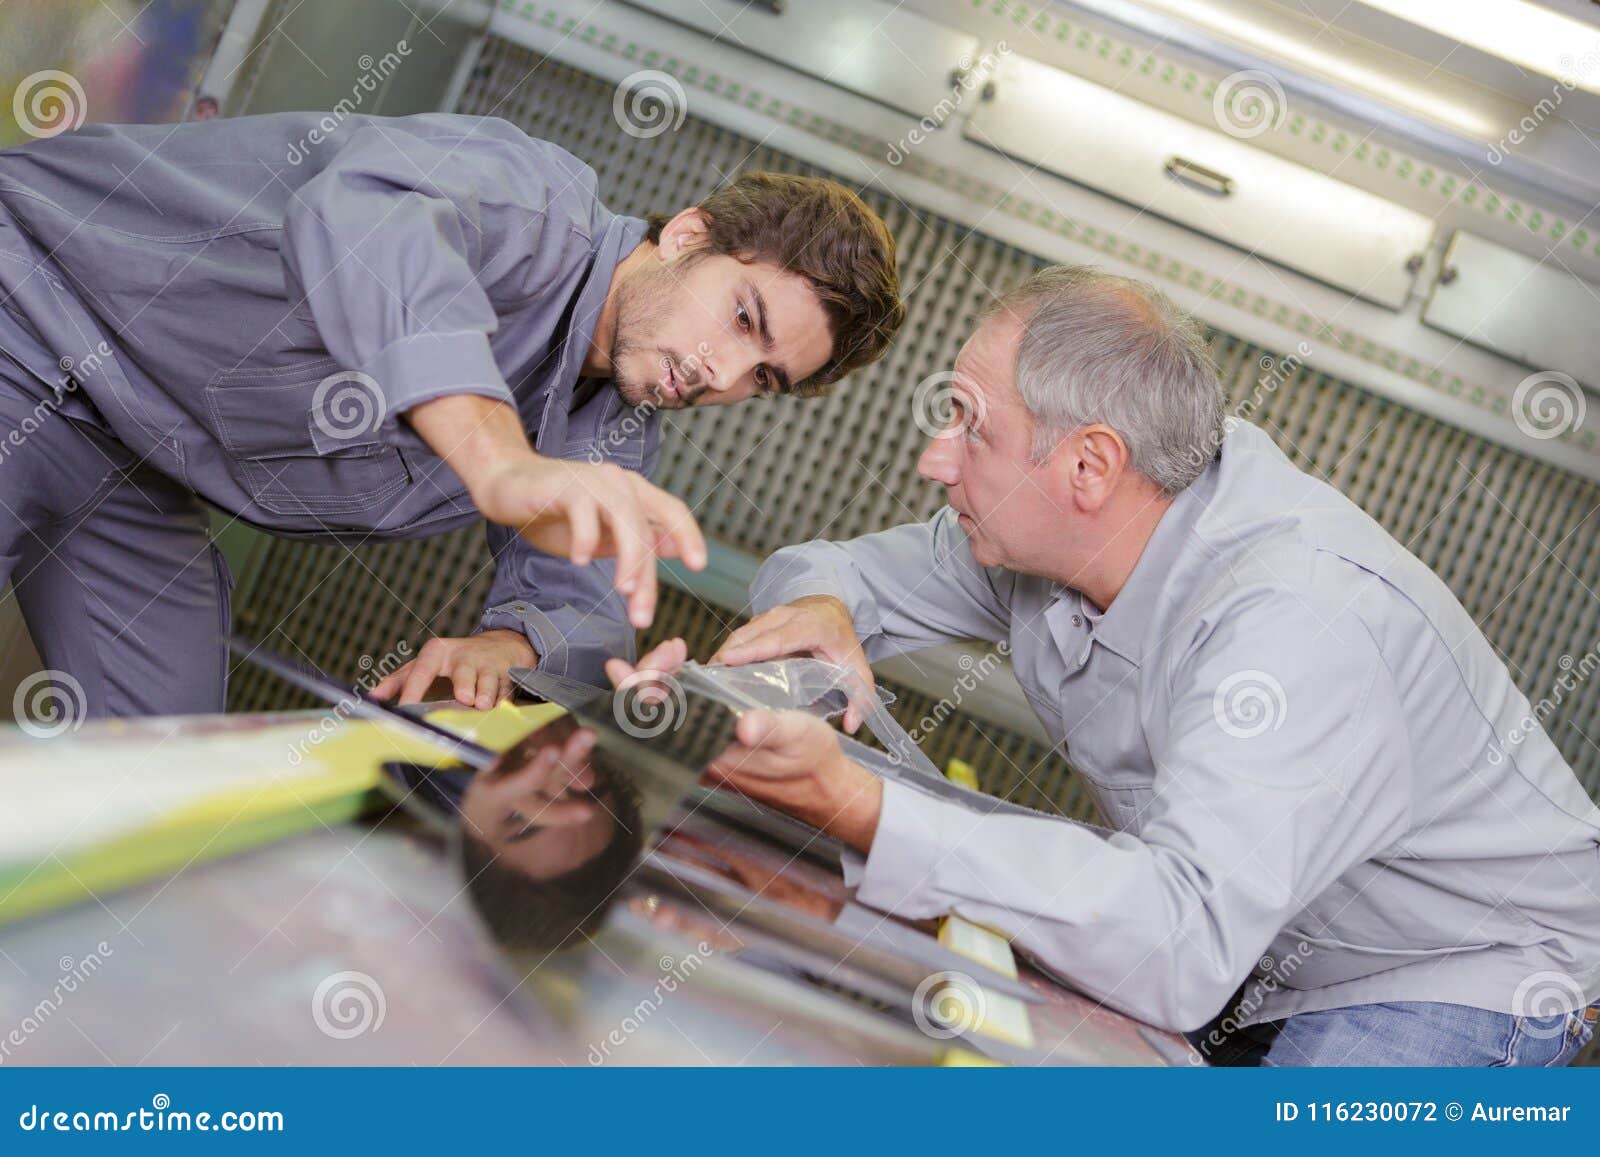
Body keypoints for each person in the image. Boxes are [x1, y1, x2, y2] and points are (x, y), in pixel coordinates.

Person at [608, 265, 1600, 1066]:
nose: (933, 460)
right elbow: (839, 571)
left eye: (968, 425)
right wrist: (814, 621)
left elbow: (1179, 941)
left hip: (1464, 960)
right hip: (1262, 939)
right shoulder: (1048, 537)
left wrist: (871, 810)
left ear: (1088, 465)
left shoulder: (1298, 623)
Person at [0, 111, 902, 716]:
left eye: (765, 377)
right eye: (744, 317)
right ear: (690, 235)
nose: (722, 372)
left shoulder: (609, 429)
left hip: (132, 464)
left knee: (156, 775)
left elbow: (584, 614)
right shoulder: (531, 201)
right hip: (29, 317)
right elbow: (365, 221)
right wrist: (499, 460)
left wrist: (508, 646)